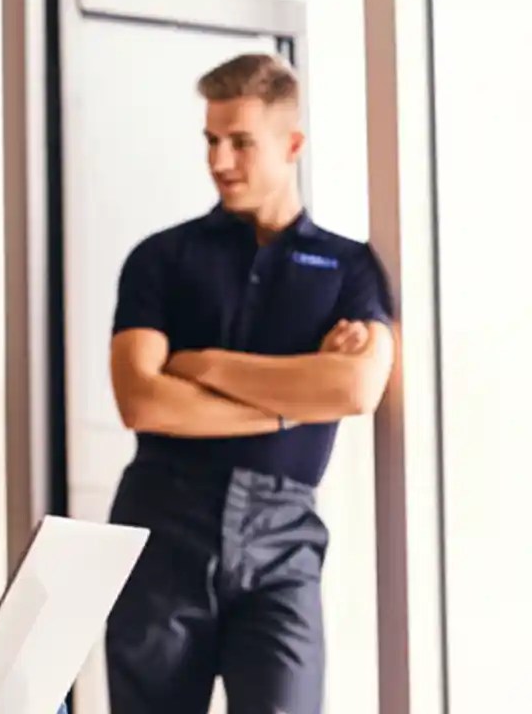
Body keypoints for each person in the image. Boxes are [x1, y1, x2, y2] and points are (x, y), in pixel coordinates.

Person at [105, 54, 395, 714]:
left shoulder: (349, 269)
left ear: (292, 144)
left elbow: (354, 390)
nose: (220, 160)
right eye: (211, 140)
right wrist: (295, 403)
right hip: (161, 524)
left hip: (284, 536)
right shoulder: (161, 258)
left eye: (241, 142)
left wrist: (200, 364)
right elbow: (142, 399)